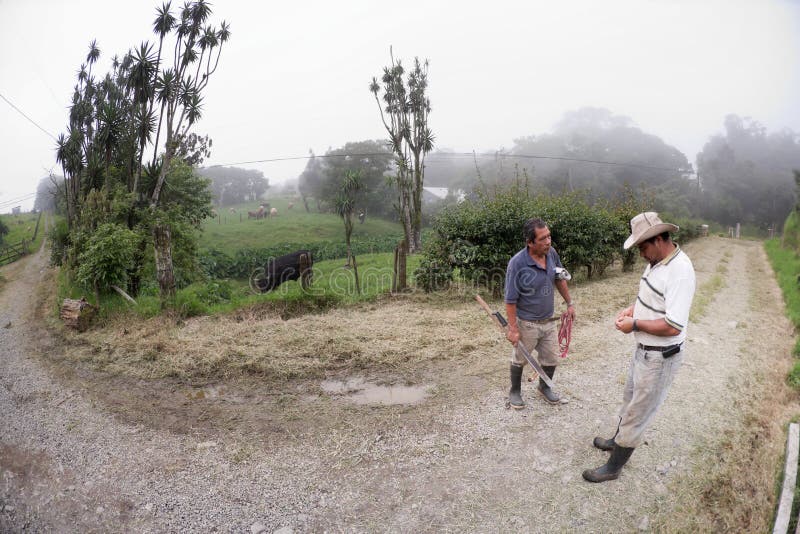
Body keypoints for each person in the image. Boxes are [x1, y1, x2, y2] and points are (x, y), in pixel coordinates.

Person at [583, 212, 696, 483]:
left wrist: (634, 324)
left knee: (638, 411)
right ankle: (616, 440)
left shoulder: (680, 271)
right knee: (630, 399)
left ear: (658, 239)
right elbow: (651, 298)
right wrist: (632, 309)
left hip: (661, 356)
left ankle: (613, 467)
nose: (641, 253)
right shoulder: (656, 262)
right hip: (644, 350)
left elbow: (673, 325)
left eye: (643, 247)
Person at [504, 218, 576, 409]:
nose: (548, 242)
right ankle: (515, 392)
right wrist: (512, 329)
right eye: (543, 239)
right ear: (530, 242)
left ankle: (544, 388)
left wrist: (569, 303)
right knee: (520, 359)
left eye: (549, 236)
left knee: (552, 358)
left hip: (549, 320)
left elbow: (559, 278)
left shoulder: (551, 253)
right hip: (527, 323)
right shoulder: (517, 264)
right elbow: (510, 300)